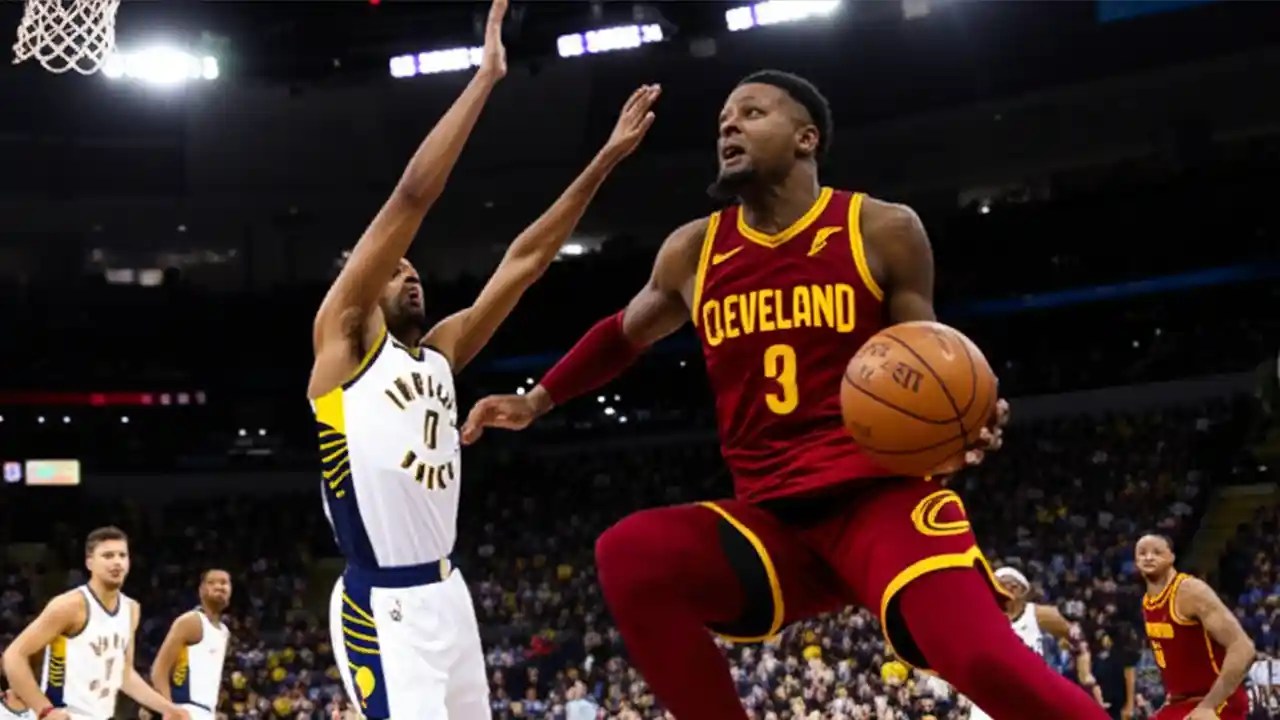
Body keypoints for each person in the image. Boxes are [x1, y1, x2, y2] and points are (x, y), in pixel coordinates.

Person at [462, 70, 1109, 720]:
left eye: (751, 113)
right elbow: (622, 334)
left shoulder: (880, 228)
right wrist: (538, 400)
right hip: (772, 524)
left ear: (806, 138)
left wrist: (970, 415)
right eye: (723, 119)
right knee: (630, 553)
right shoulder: (694, 250)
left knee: (987, 664)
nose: (729, 125)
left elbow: (931, 357)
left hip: (880, 504)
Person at [305, 0, 660, 714]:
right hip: (385, 607)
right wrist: (486, 77)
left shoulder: (440, 354)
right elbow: (413, 194)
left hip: (449, 590)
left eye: (415, 270)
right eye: (395, 270)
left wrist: (606, 160)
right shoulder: (343, 348)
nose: (410, 275)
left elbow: (525, 262)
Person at [1, 527, 190, 720]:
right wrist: (45, 710)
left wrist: (167, 708)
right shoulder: (70, 605)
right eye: (108, 556)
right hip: (64, 713)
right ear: (89, 562)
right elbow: (13, 656)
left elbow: (124, 673)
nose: (117, 562)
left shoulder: (131, 609)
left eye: (122, 555)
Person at [1136, 533, 1255, 720]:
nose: (1148, 557)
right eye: (1142, 553)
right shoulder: (1148, 602)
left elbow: (1244, 648)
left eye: (1157, 552)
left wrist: (1208, 706)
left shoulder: (1190, 591)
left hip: (1218, 700)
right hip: (1180, 702)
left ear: (1171, 557)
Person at [967, 567, 1105, 719]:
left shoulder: (1039, 613)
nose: (1007, 590)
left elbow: (1077, 638)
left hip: (1028, 696)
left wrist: (1085, 672)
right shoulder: (984, 618)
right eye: (1001, 585)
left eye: (1012, 585)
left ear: (1023, 591)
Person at [149, 569, 232, 720]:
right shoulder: (191, 621)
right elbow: (158, 672)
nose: (219, 586)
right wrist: (170, 711)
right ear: (201, 590)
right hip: (186, 709)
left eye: (224, 583)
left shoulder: (224, 632)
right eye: (212, 582)